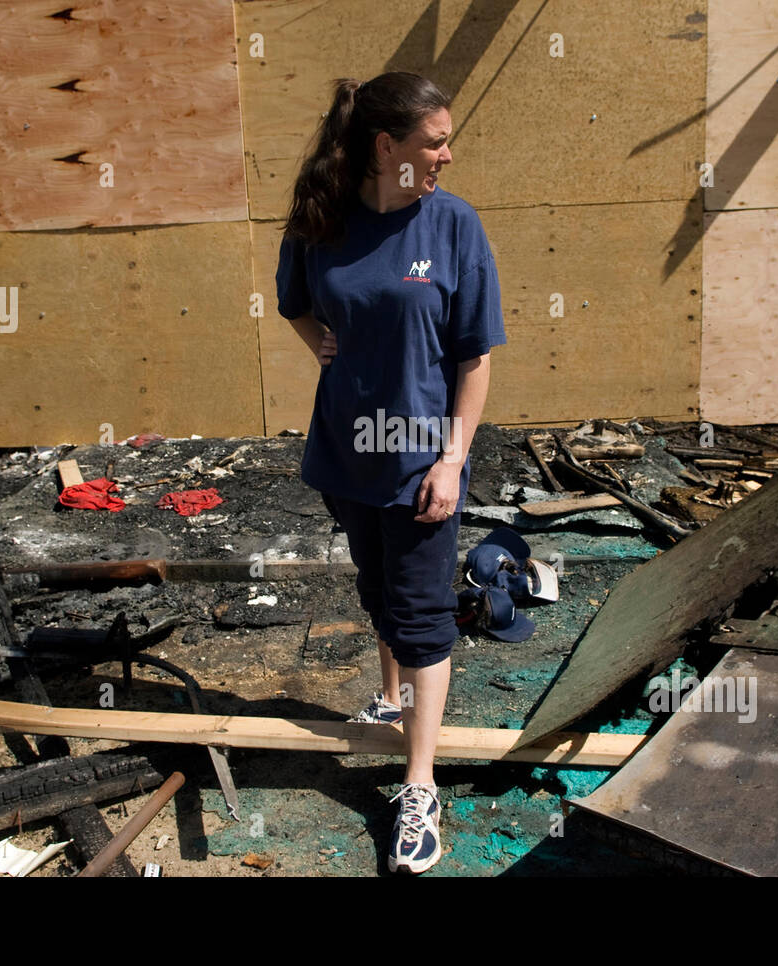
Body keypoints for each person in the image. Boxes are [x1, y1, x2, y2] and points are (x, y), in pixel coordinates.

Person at [275, 71, 506, 874]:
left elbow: (474, 359)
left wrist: (452, 459)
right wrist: (320, 345)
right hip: (346, 453)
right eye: (435, 140)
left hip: (420, 465)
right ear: (387, 147)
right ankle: (393, 699)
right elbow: (295, 301)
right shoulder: (321, 222)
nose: (448, 152)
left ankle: (419, 784)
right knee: (374, 592)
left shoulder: (453, 227)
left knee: (419, 617)